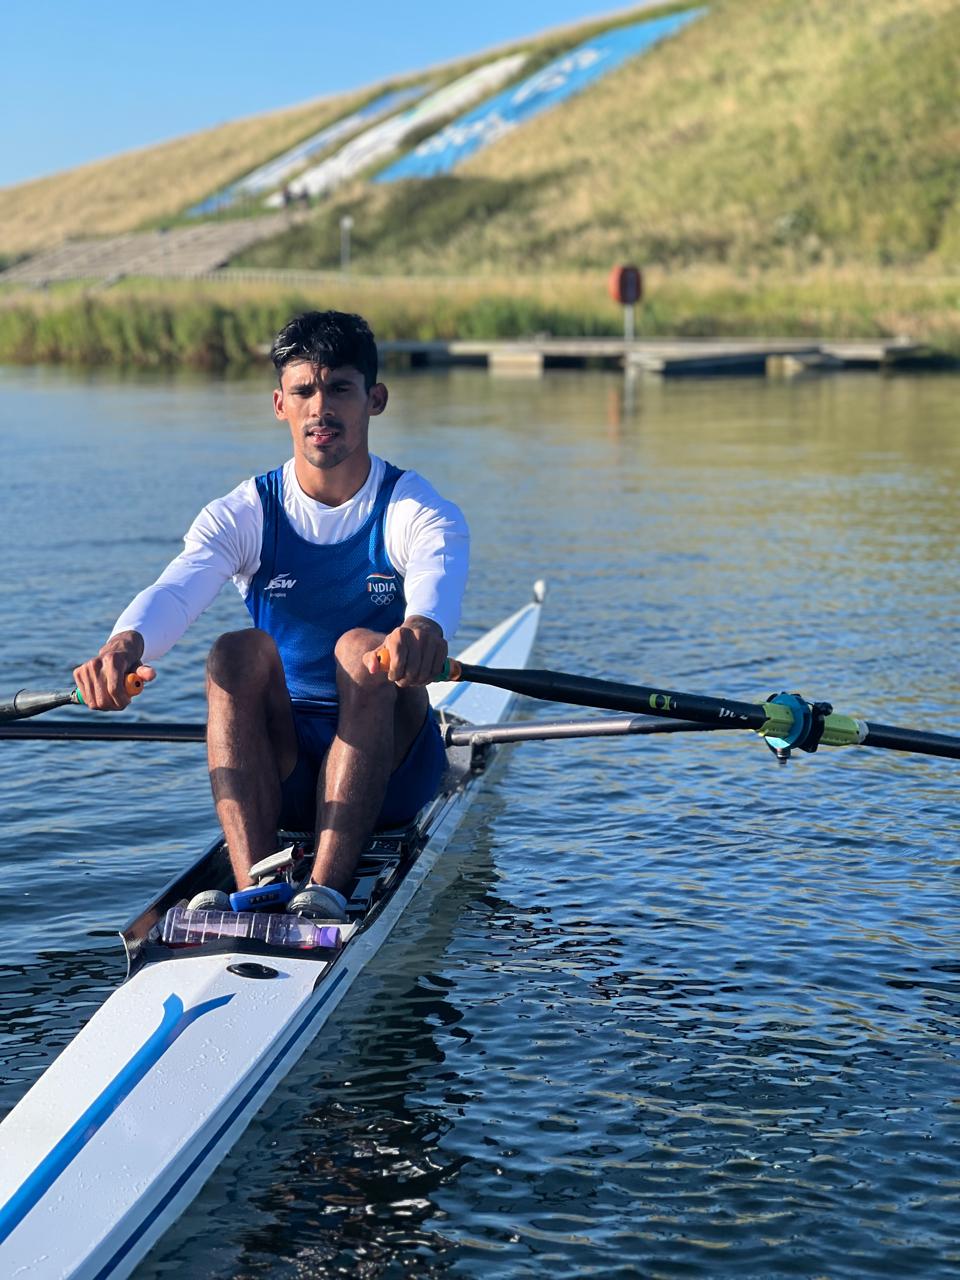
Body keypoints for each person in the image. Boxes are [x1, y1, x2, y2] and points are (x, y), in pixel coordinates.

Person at [73, 310, 469, 921]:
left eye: (340, 388)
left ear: (375, 400)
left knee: (360, 648)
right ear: (280, 404)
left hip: (393, 768)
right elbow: (178, 588)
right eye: (305, 391)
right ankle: (254, 886)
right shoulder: (245, 511)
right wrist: (127, 645)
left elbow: (435, 577)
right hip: (285, 764)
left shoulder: (414, 508)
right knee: (233, 653)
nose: (321, 408)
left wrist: (424, 629)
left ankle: (326, 894)